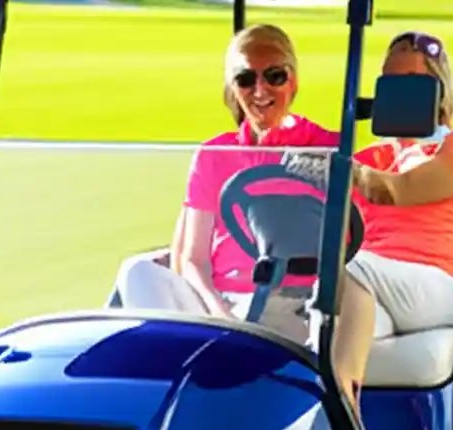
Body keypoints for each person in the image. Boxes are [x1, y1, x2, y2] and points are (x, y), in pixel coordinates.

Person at [114, 24, 339, 342]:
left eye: (274, 76)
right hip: (221, 303)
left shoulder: (328, 149)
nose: (260, 91)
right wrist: (219, 313)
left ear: (294, 81)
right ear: (233, 88)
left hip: (296, 304)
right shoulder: (215, 154)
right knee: (136, 272)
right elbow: (194, 258)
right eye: (246, 80)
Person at [327, 30, 453, 412]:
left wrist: (347, 172)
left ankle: (341, 414)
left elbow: (399, 191)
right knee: (320, 325)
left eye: (410, 84)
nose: (396, 94)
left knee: (348, 269)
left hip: (438, 287)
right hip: (375, 286)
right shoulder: (374, 156)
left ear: (437, 91)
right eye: (389, 83)